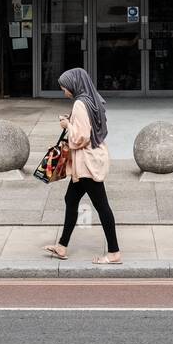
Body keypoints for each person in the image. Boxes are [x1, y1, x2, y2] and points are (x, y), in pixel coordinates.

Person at [43, 67, 121, 265]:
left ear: (73, 85)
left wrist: (66, 125)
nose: (64, 92)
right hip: (92, 158)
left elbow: (80, 137)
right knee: (71, 198)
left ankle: (113, 252)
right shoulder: (93, 99)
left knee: (102, 206)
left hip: (86, 163)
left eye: (65, 88)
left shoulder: (79, 104)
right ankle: (62, 246)